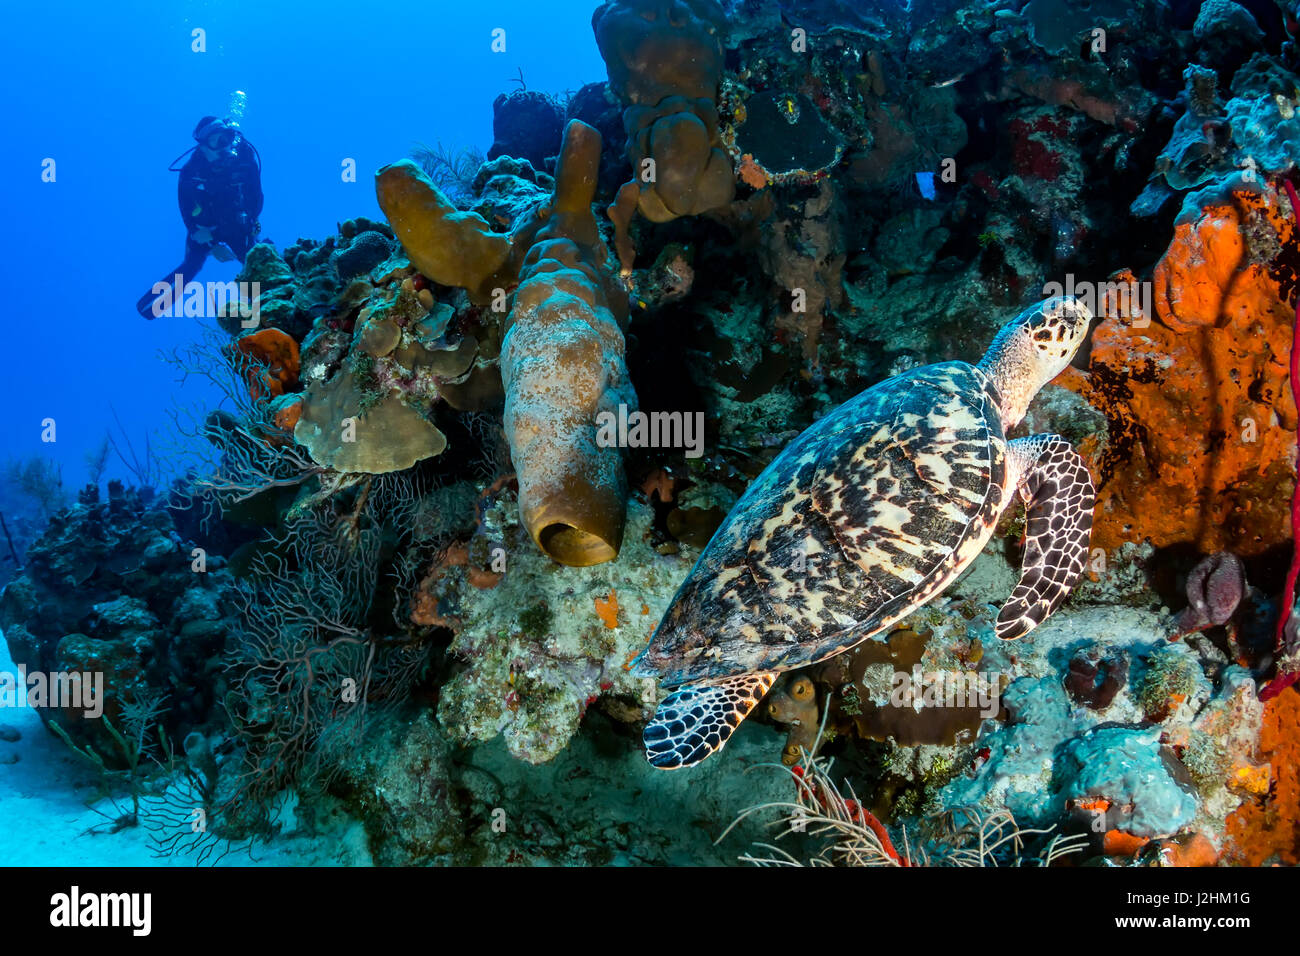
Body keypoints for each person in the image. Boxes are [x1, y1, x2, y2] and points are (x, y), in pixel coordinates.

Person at [136, 116, 264, 318]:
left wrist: (251, 222)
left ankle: (264, 314)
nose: (225, 146)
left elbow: (257, 196)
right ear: (203, 144)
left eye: (228, 138)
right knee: (190, 267)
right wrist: (210, 242)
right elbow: (186, 210)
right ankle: (151, 308)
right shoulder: (190, 171)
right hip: (205, 228)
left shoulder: (244, 159)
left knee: (258, 263)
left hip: (238, 226)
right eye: (218, 140)